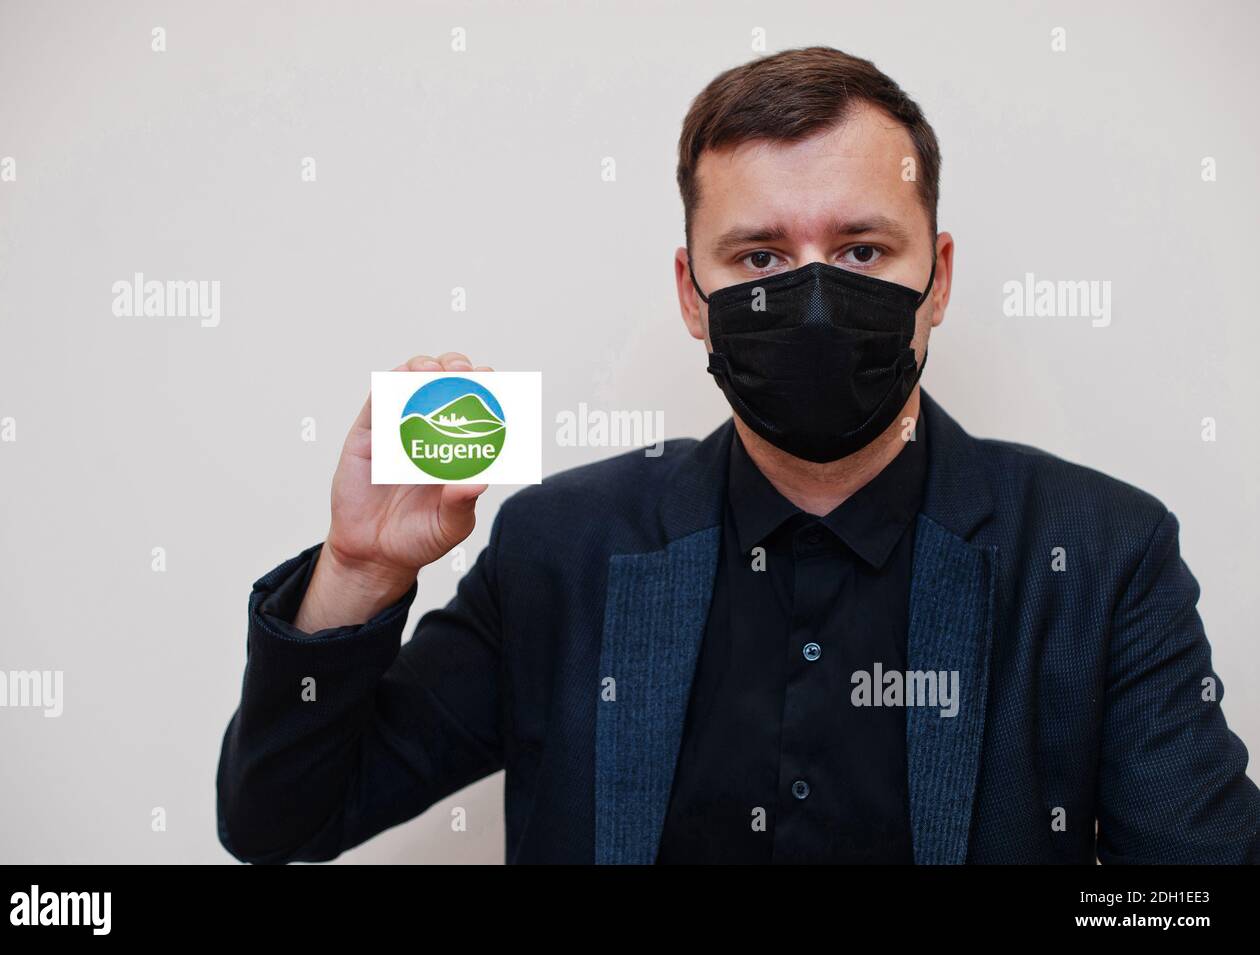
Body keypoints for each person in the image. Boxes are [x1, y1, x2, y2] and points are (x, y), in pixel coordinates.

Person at [216, 46, 1260, 864]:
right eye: (759, 256)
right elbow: (281, 818)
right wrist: (357, 575)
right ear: (690, 293)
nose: (810, 303)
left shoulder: (1097, 556)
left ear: (936, 279)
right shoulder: (560, 550)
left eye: (860, 251)